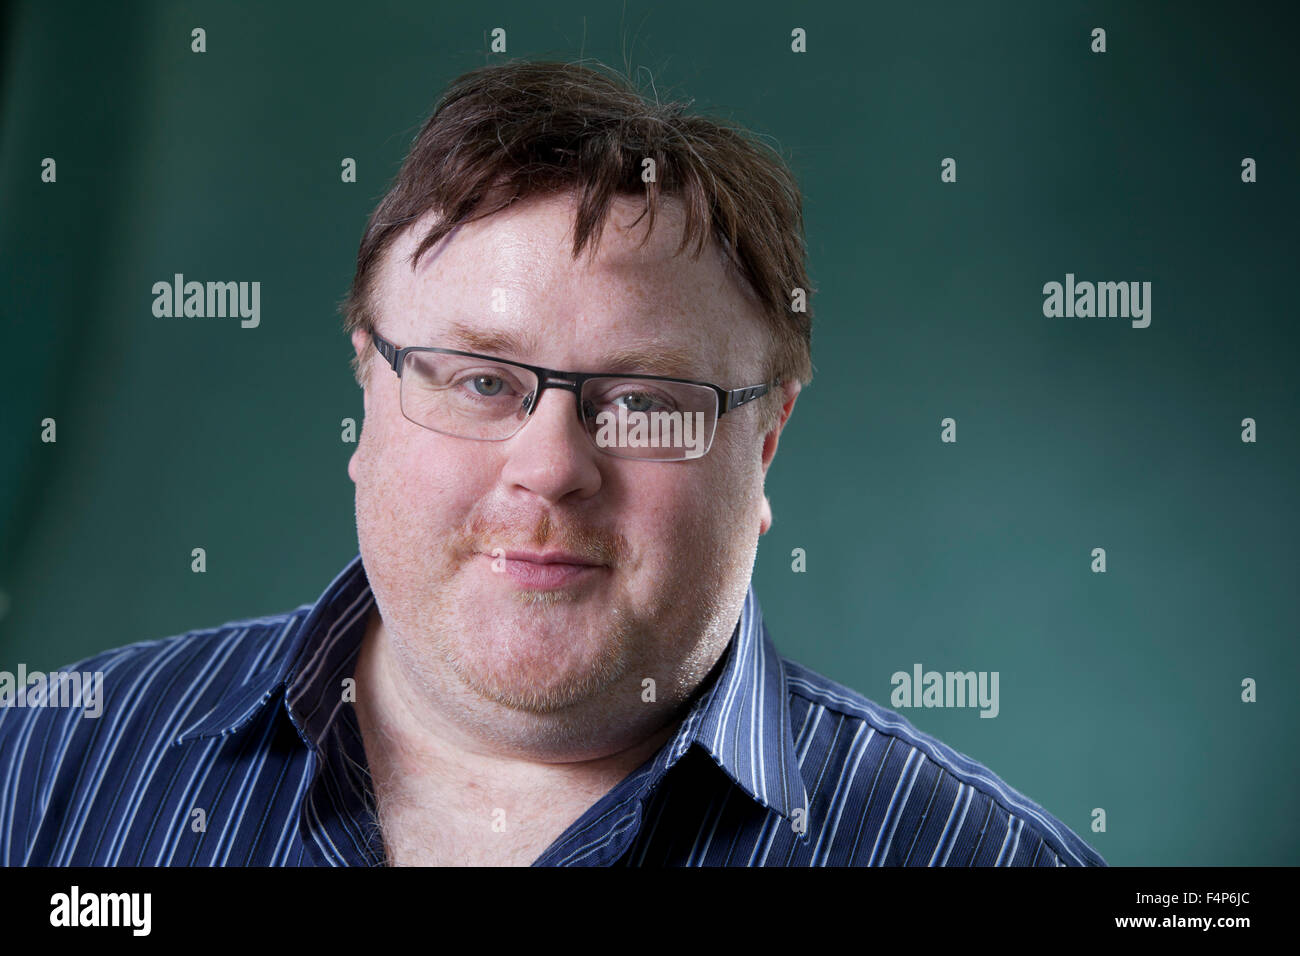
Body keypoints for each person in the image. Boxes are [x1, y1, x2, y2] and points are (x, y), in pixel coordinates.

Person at [0, 60, 1104, 867]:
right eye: (479, 380)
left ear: (763, 444)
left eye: (642, 399)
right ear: (367, 390)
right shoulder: (42, 770)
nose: (550, 469)